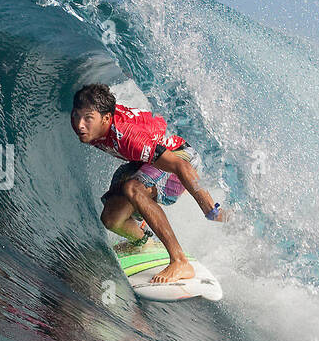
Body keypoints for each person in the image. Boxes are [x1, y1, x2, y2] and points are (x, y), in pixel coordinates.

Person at [70, 83, 224, 283]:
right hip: (145, 162)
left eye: (88, 118)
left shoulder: (127, 138)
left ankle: (180, 261)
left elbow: (180, 166)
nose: (79, 124)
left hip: (182, 157)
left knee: (133, 188)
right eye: (76, 116)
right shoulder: (94, 124)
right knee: (111, 218)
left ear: (106, 118)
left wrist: (209, 208)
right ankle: (143, 242)